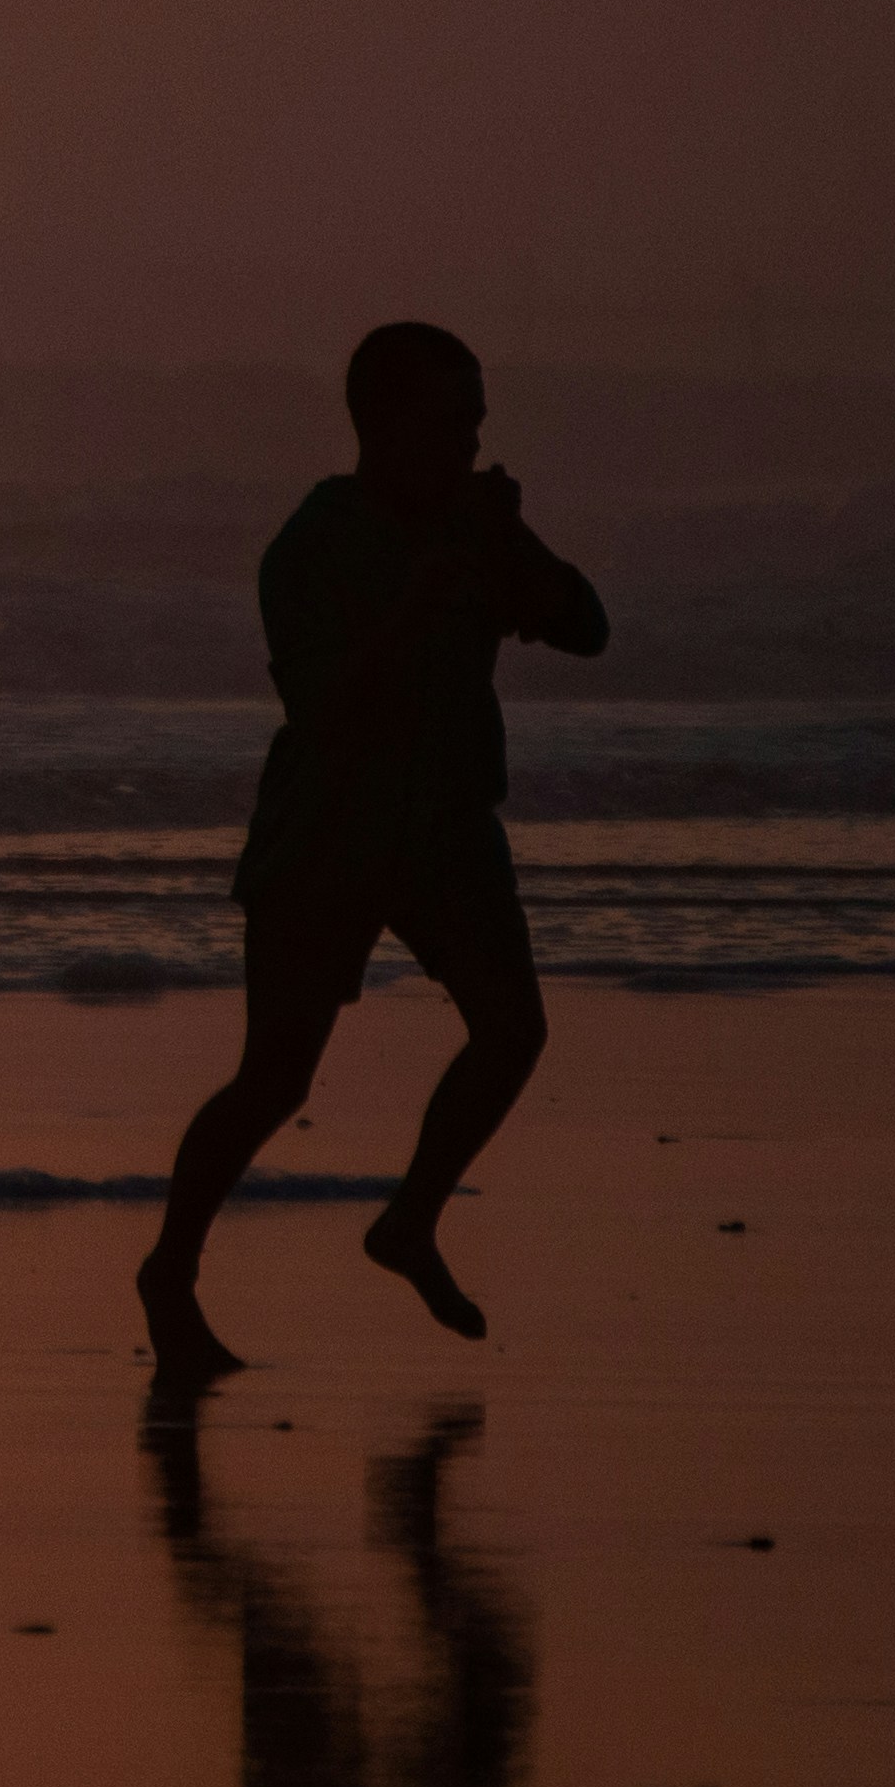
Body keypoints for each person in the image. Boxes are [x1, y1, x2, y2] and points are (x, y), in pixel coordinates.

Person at [136, 321, 606, 1376]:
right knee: (272, 1079)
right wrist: (417, 599)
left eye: (476, 425)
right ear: (384, 427)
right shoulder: (309, 545)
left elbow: (588, 626)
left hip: (443, 820)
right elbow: (322, 704)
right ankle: (169, 1269)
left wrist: (517, 556)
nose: (469, 445)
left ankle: (409, 1221)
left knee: (513, 1029)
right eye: (451, 424)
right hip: (330, 824)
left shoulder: (470, 524)